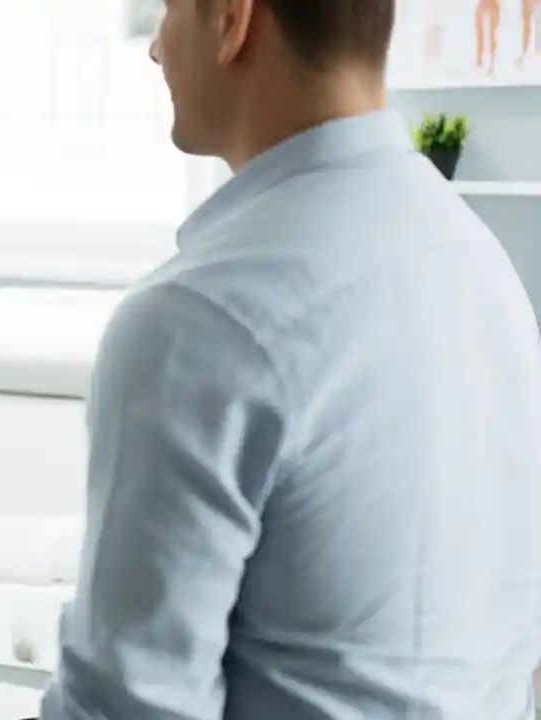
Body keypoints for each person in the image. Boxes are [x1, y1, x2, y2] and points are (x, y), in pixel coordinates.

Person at [40, 0, 541, 718]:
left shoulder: (199, 318)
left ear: (234, 20)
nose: (155, 48)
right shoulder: (484, 269)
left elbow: (128, 708)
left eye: (170, 10)